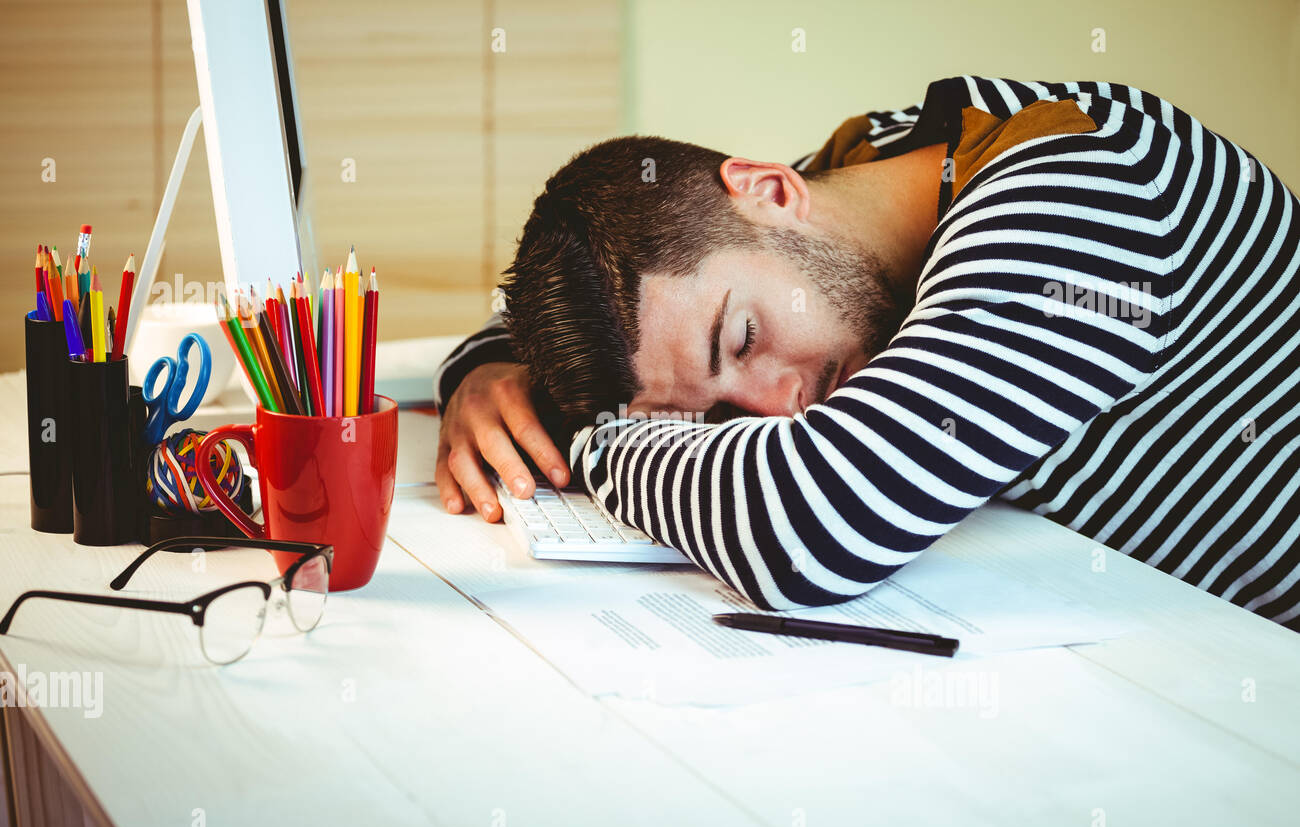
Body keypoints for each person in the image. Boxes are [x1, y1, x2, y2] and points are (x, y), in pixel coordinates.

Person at [434, 75, 1300, 631]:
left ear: (771, 190)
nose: (781, 406)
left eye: (743, 338)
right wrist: (483, 373)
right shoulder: (870, 163)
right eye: (722, 412)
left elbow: (810, 526)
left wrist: (598, 437)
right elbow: (590, 305)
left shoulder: (1083, 195)